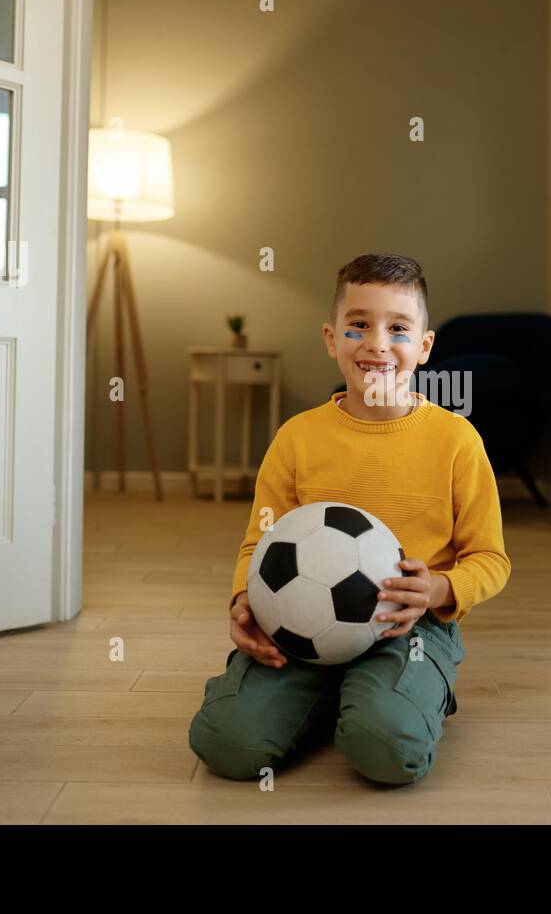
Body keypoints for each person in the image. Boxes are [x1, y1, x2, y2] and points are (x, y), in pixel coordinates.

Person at [188, 253, 511, 785]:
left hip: (411, 624)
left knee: (386, 752)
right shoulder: (297, 438)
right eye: (358, 325)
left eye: (399, 328)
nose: (377, 343)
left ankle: (387, 698)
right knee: (224, 744)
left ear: (425, 347)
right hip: (300, 621)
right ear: (331, 338)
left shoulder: (457, 441)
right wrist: (245, 599)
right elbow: (257, 547)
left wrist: (437, 589)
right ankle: (332, 694)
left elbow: (491, 559)